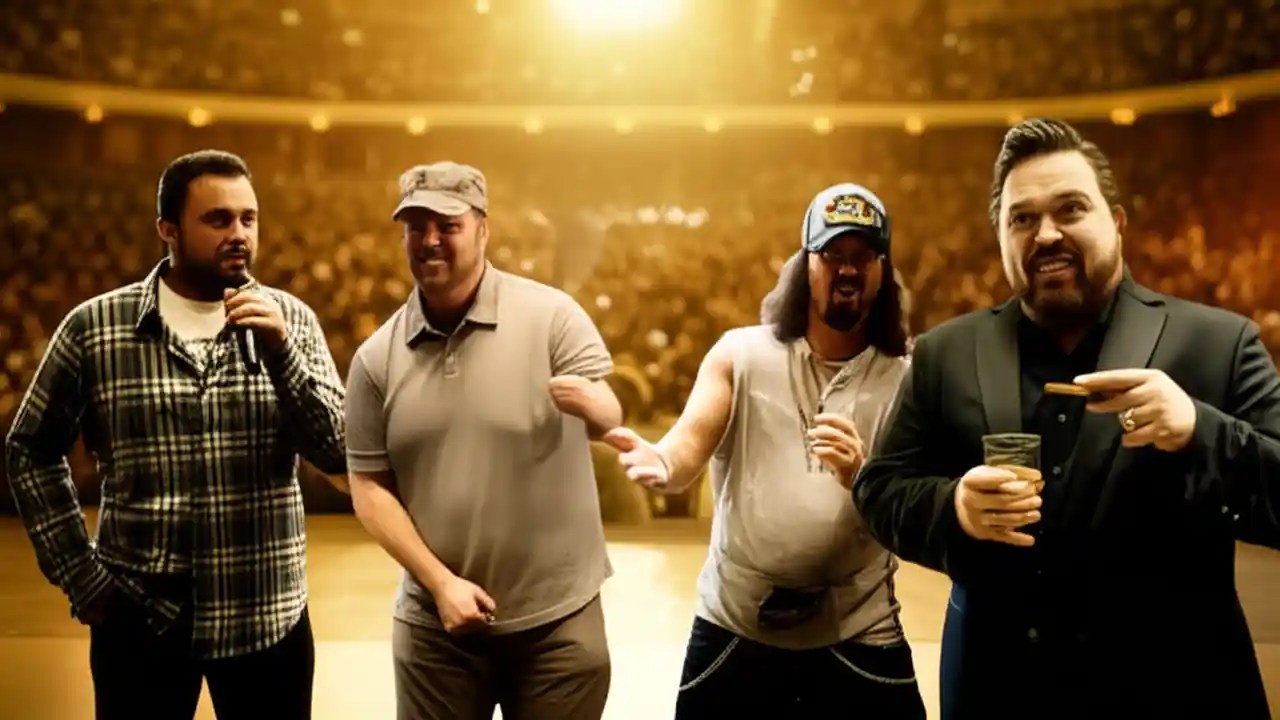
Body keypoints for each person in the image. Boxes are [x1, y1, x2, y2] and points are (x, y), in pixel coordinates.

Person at [854, 117, 1280, 720]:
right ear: (1000, 239)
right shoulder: (947, 352)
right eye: (1021, 219)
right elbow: (879, 488)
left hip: (1175, 695)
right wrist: (952, 508)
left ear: (1118, 223)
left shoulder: (1219, 344)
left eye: (1070, 209)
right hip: (999, 697)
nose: (1046, 234)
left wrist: (1198, 431)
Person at [5, 149, 347, 719]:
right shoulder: (95, 329)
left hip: (266, 616)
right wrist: (81, 577)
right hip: (139, 626)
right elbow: (29, 449)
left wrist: (283, 354)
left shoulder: (293, 320)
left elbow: (337, 449)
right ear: (168, 229)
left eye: (248, 218)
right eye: (218, 220)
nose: (238, 234)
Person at [606, 183, 926, 718]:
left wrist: (865, 474)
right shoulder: (741, 352)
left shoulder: (907, 377)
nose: (847, 270)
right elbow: (686, 448)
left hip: (860, 629)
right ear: (805, 266)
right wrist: (661, 463)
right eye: (832, 256)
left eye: (863, 257)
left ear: (882, 272)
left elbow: (916, 509)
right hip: (736, 628)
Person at [344, 161, 622, 720]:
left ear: (482, 229)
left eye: (448, 225)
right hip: (435, 628)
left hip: (559, 623)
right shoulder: (376, 358)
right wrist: (441, 584)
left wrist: (597, 410)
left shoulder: (552, 318)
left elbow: (609, 411)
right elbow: (369, 488)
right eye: (415, 226)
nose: (429, 240)